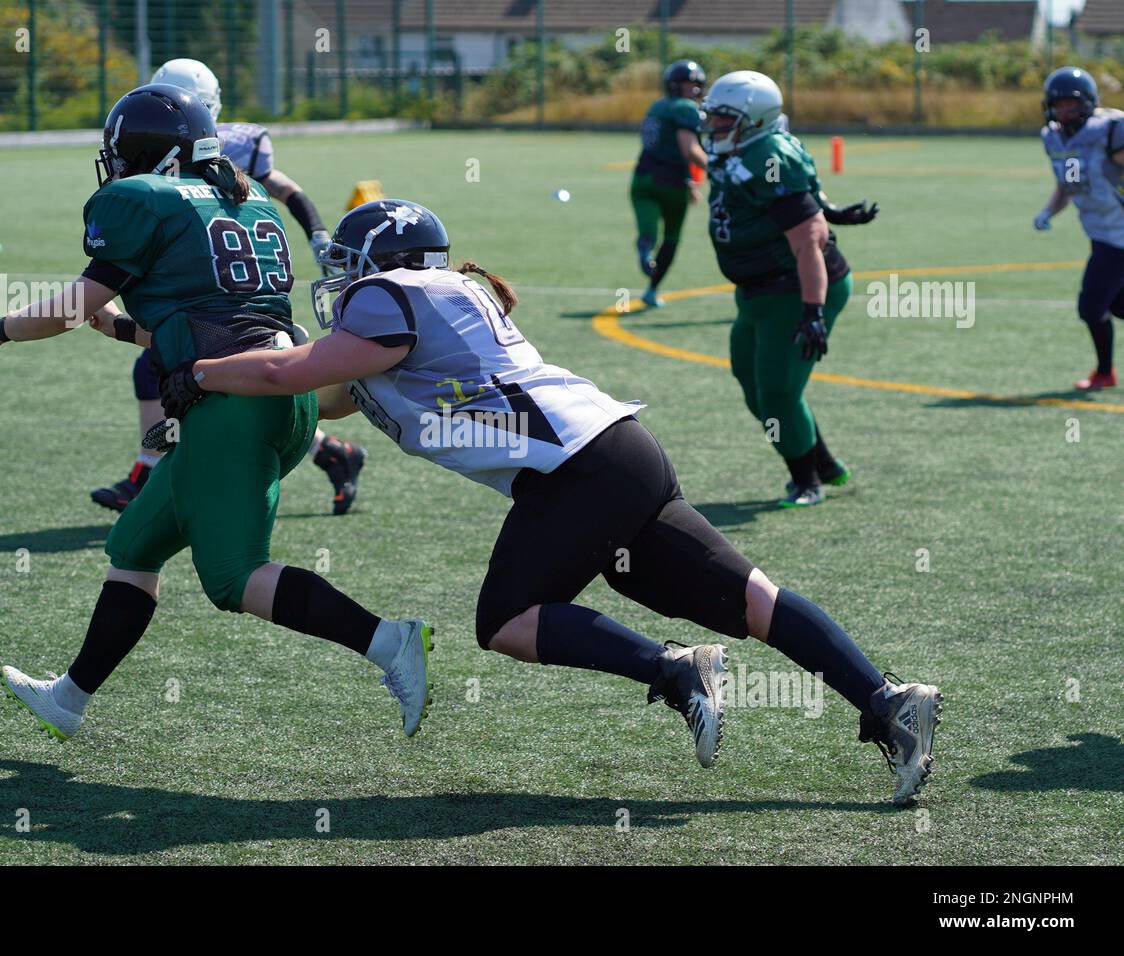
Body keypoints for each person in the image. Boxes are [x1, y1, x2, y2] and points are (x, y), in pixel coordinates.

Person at [159, 198, 942, 805]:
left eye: (345, 264)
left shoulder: (393, 295)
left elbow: (282, 376)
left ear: (382, 261)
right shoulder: (425, 311)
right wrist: (144, 334)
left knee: (505, 620)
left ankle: (677, 672)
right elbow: (320, 397)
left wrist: (198, 373)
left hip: (580, 468)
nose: (336, 279)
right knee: (748, 599)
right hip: (619, 452)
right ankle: (885, 699)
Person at [0, 85, 431, 742]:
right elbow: (208, 319)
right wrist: (124, 332)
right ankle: (68, 698)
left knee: (235, 577)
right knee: (134, 545)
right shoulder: (246, 197)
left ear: (139, 152)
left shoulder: (140, 199)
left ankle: (388, 641)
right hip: (279, 388)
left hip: (230, 409)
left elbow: (72, 304)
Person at [91, 59, 368, 515]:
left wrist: (317, 230)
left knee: (194, 369)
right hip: (195, 281)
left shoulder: (225, 148)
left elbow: (285, 189)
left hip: (224, 285)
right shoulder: (176, 148)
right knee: (208, 372)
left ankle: (151, 475)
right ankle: (331, 452)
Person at [700, 71, 879, 507]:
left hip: (795, 287)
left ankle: (806, 483)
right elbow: (794, 200)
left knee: (778, 393)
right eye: (714, 116)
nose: (714, 126)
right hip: (758, 290)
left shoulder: (768, 153)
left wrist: (811, 311)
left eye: (725, 118)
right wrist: (833, 209)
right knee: (752, 382)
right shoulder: (741, 147)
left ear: (755, 120)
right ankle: (824, 463)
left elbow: (809, 241)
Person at [1034, 66, 1124, 391]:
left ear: (1087, 102)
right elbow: (1069, 186)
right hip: (1102, 235)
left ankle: (1104, 373)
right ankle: (1105, 373)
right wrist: (1048, 211)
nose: (1065, 110)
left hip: (1119, 236)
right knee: (1115, 305)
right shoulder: (1056, 139)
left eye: (1071, 103)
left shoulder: (1110, 129)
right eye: (1059, 105)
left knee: (1092, 306)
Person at [630, 60, 708, 309]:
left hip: (643, 177)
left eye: (696, 85)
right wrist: (719, 168)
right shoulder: (686, 108)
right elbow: (688, 148)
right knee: (672, 237)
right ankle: (652, 290)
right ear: (677, 86)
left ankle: (644, 253)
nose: (693, 90)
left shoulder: (658, 105)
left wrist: (690, 181)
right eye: (689, 84)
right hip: (670, 184)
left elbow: (667, 146)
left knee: (648, 231)